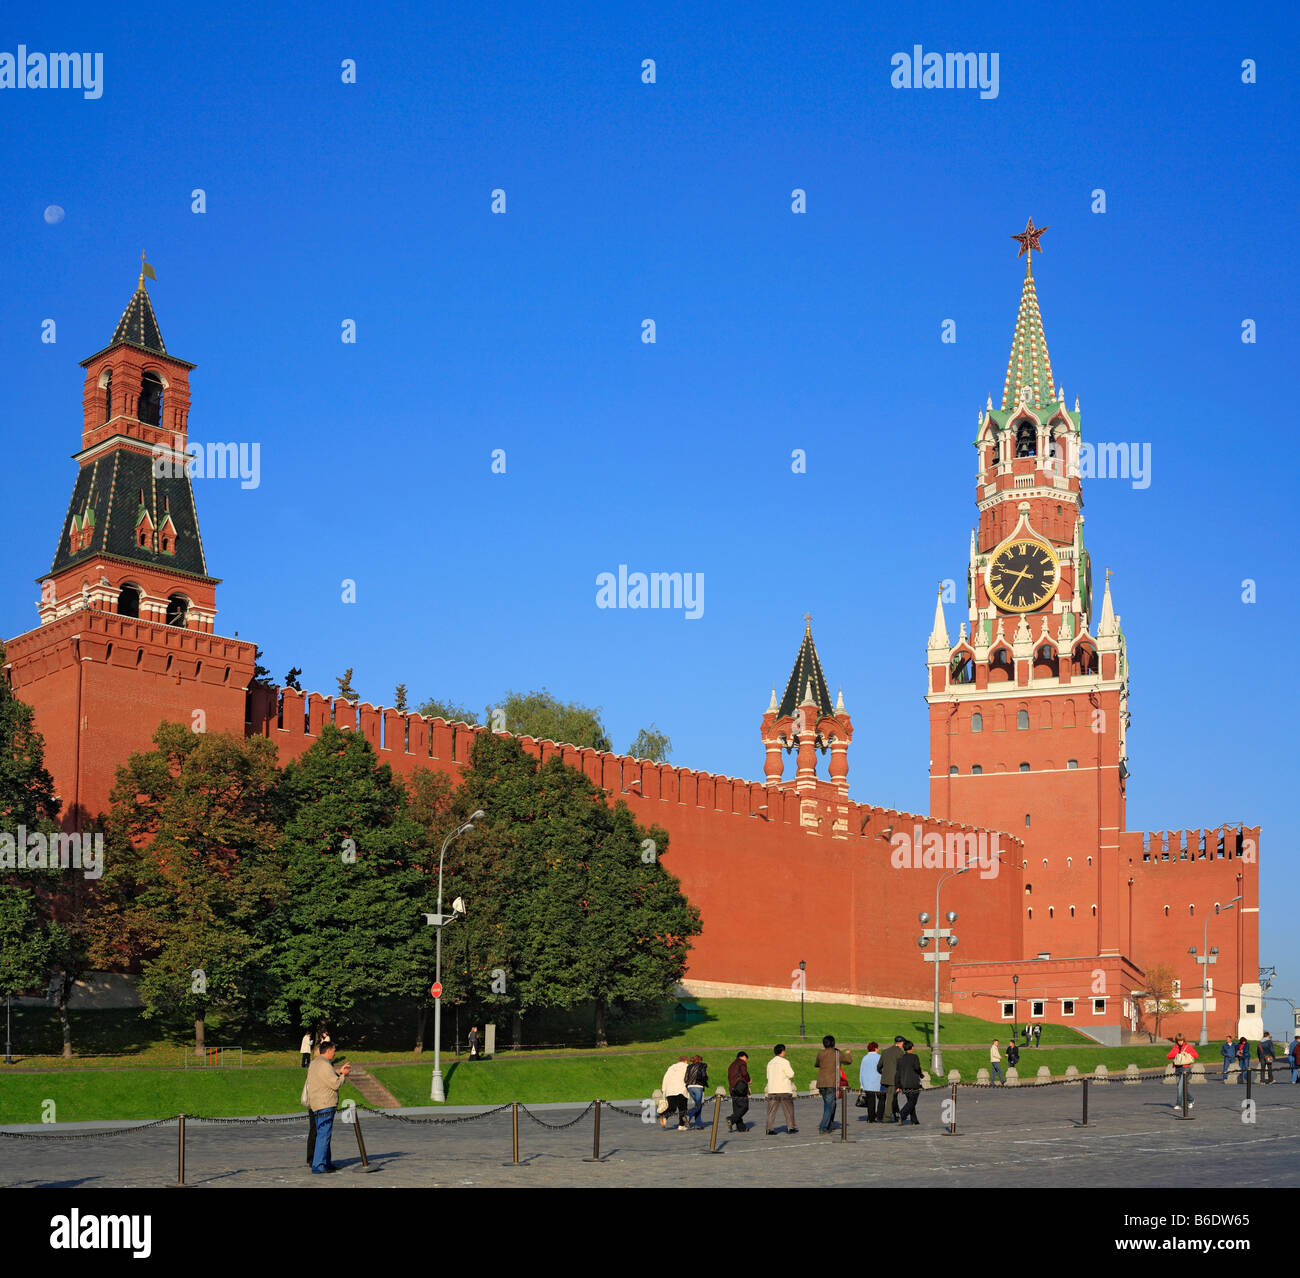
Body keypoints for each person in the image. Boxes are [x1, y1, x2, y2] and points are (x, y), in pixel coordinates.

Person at [307, 1039, 352, 1172]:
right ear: (328, 1050)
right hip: (325, 1104)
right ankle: (318, 1165)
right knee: (323, 1134)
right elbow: (335, 1084)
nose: (335, 1053)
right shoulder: (325, 1064)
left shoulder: (315, 1063)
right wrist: (343, 1075)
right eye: (334, 1050)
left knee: (324, 1134)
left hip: (316, 1103)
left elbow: (325, 1078)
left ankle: (326, 1162)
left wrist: (339, 1071)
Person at [815, 1034, 851, 1134]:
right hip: (831, 1083)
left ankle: (829, 1124)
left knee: (831, 1104)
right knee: (829, 1106)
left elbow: (817, 1064)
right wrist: (848, 1053)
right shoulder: (837, 1053)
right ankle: (823, 1127)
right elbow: (848, 1061)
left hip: (821, 1083)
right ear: (833, 1043)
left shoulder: (820, 1054)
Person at [765, 1044, 798, 1134]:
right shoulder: (785, 1062)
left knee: (771, 1111)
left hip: (772, 1090)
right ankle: (790, 1128)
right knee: (788, 1110)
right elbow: (791, 1074)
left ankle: (770, 1129)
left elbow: (768, 1076)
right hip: (784, 1090)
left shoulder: (770, 1063)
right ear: (782, 1051)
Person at [896, 1039, 924, 1125]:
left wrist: (898, 1085)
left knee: (910, 1101)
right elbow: (916, 1068)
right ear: (911, 1048)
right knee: (912, 1102)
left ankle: (914, 1120)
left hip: (904, 1083)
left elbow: (898, 1073)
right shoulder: (914, 1057)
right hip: (913, 1083)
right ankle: (902, 1114)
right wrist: (920, 1072)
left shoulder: (900, 1059)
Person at [1166, 1033, 1197, 1111]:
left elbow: (1196, 1055)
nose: (1180, 1042)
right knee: (1181, 1088)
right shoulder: (1175, 1047)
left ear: (1184, 1040)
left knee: (1180, 1087)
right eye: (1178, 1040)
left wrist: (1186, 1053)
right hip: (1178, 1069)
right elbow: (1168, 1056)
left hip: (1185, 1069)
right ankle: (1191, 1100)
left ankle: (1178, 1104)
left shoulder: (1188, 1047)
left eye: (1181, 1040)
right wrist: (1176, 1053)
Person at [878, 1035, 905, 1122]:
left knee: (891, 1097)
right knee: (890, 1098)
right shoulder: (900, 1052)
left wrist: (883, 1073)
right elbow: (901, 1068)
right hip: (893, 1079)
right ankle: (887, 1117)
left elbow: (879, 1066)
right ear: (901, 1043)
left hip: (885, 1078)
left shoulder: (885, 1051)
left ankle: (896, 1114)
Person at [660, 1057, 690, 1131]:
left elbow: (665, 1078)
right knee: (682, 1108)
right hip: (681, 1089)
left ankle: (664, 1116)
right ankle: (681, 1125)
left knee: (672, 1107)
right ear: (686, 1061)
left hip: (670, 1090)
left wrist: (664, 1090)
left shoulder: (671, 1067)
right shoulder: (687, 1067)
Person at [859, 1041, 884, 1123]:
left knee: (870, 1101)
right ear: (876, 1048)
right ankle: (879, 1115)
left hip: (867, 1083)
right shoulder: (880, 1057)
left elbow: (861, 1072)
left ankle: (871, 1118)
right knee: (882, 1099)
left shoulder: (864, 1058)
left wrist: (861, 1084)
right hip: (878, 1082)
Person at [727, 1051, 751, 1132]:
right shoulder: (741, 1063)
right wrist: (748, 1079)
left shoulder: (731, 1065)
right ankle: (731, 1119)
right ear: (743, 1056)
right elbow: (744, 1073)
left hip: (732, 1088)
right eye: (746, 1058)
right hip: (740, 1088)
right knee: (744, 1106)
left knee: (737, 1109)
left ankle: (741, 1128)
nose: (746, 1060)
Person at [685, 1054, 708, 1129]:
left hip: (690, 1087)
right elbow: (704, 1075)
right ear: (700, 1060)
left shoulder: (689, 1066)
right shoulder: (702, 1065)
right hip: (698, 1086)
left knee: (698, 1105)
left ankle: (699, 1124)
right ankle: (688, 1116)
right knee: (698, 1105)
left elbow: (685, 1079)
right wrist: (706, 1079)